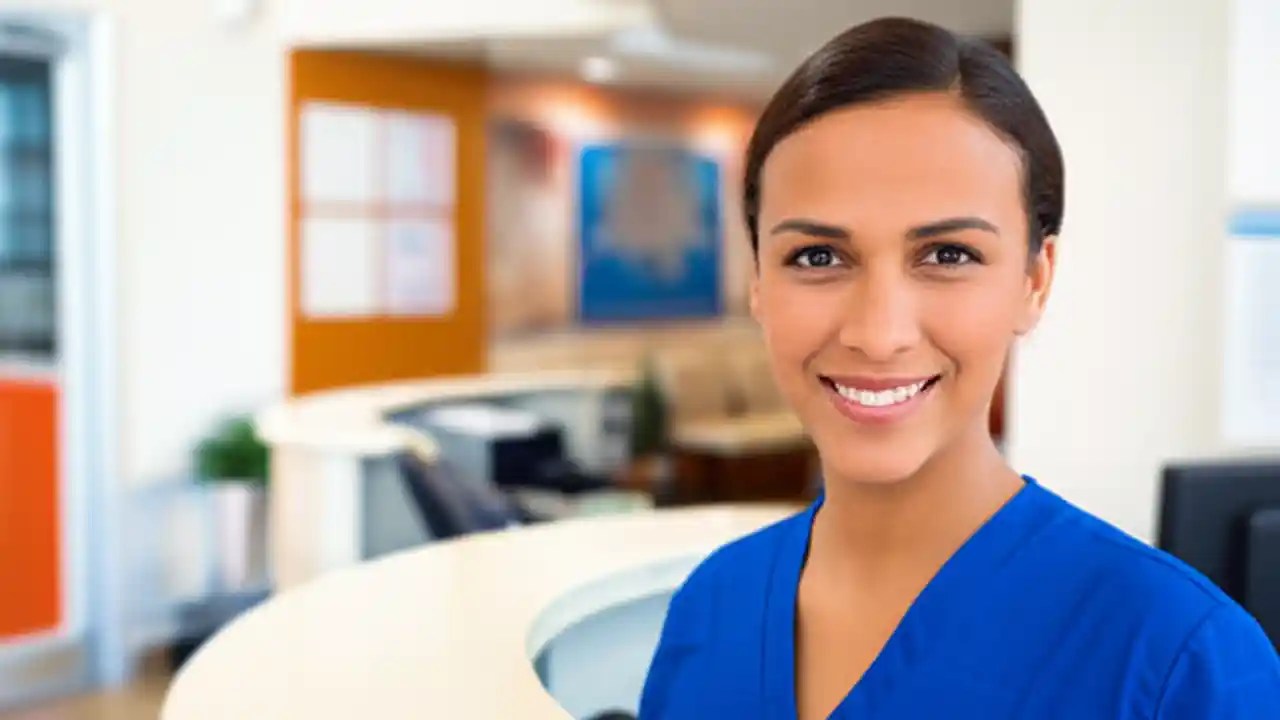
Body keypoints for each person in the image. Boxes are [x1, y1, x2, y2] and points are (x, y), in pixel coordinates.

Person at [638, 16, 1280, 720]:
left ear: (1035, 280)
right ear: (758, 281)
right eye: (818, 257)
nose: (878, 335)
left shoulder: (1183, 662)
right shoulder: (709, 611)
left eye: (948, 255)